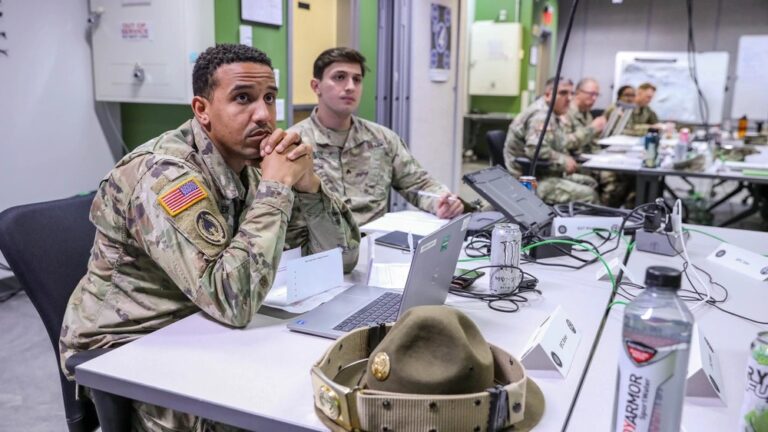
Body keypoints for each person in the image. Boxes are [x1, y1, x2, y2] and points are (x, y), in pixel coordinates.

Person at [59, 44, 360, 430]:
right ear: (202, 110)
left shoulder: (249, 165)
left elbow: (345, 256)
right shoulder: (164, 176)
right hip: (126, 350)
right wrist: (276, 189)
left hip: (201, 327)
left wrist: (308, 185)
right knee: (272, 412)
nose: (264, 115)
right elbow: (231, 300)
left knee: (326, 380)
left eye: (269, 98)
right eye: (242, 99)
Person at [286, 47, 464, 226]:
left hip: (375, 245)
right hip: (320, 249)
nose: (350, 87)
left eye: (357, 80)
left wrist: (441, 202)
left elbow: (419, 185)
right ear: (316, 86)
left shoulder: (383, 140)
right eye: (339, 77)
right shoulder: (293, 144)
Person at [503, 77, 598, 204]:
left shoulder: (552, 114)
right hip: (530, 180)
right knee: (589, 195)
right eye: (563, 93)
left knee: (591, 182)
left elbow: (559, 142)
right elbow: (536, 150)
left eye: (571, 93)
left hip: (543, 172)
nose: (569, 98)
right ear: (548, 95)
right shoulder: (541, 115)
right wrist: (563, 161)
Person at [562, 77, 607, 155]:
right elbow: (565, 143)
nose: (594, 98)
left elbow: (592, 142)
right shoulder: (566, 111)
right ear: (578, 92)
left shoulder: (586, 112)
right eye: (591, 94)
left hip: (588, 156)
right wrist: (592, 129)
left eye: (597, 95)